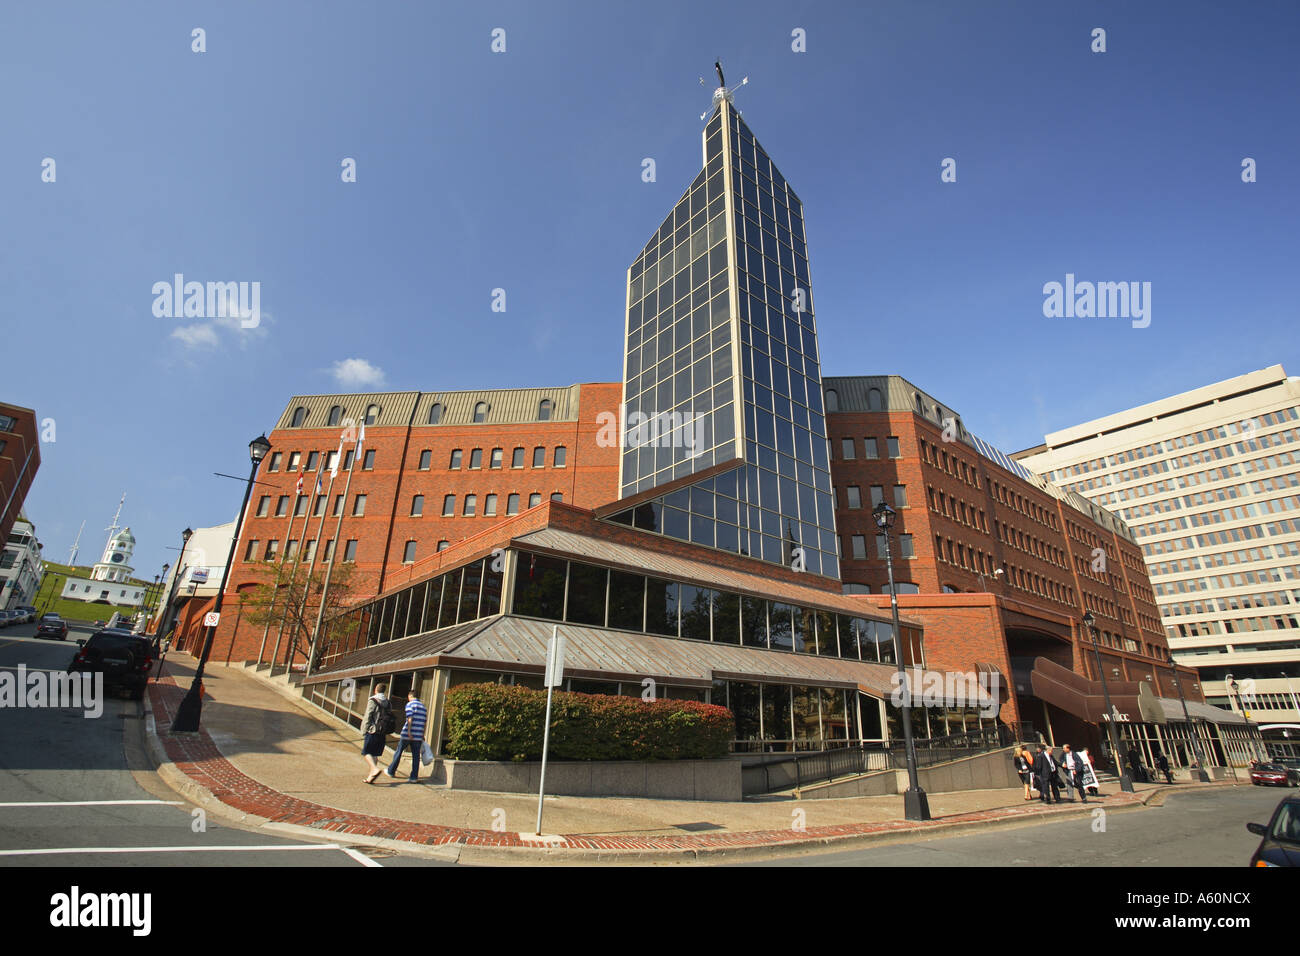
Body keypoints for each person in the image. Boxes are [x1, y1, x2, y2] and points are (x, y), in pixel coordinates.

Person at [385, 689, 428, 783]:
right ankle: (414, 777)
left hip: (408, 734)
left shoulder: (410, 705)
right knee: (416, 756)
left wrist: (409, 731)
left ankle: (391, 771)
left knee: (399, 752)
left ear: (410, 696)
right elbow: (425, 722)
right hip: (418, 735)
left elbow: (410, 718)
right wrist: (422, 734)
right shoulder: (423, 707)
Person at [361, 684, 392, 784]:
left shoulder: (373, 700)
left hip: (372, 730)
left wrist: (363, 730)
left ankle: (374, 769)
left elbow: (368, 715)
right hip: (382, 732)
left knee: (366, 753)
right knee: (375, 754)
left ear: (375, 690)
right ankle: (370, 777)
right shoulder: (388, 702)